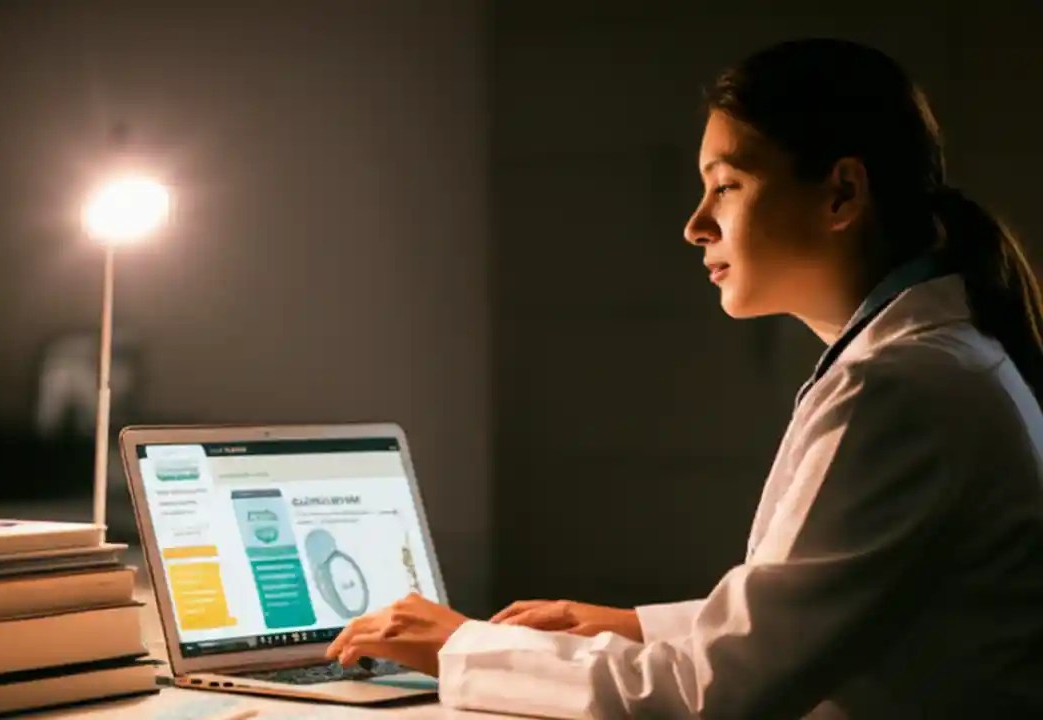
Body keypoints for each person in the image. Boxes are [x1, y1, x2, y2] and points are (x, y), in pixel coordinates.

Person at [326, 38, 1043, 718]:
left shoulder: (900, 387)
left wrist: (461, 644)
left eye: (725, 186)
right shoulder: (934, 360)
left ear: (842, 194)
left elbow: (711, 698)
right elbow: (830, 606)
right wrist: (632, 626)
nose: (696, 225)